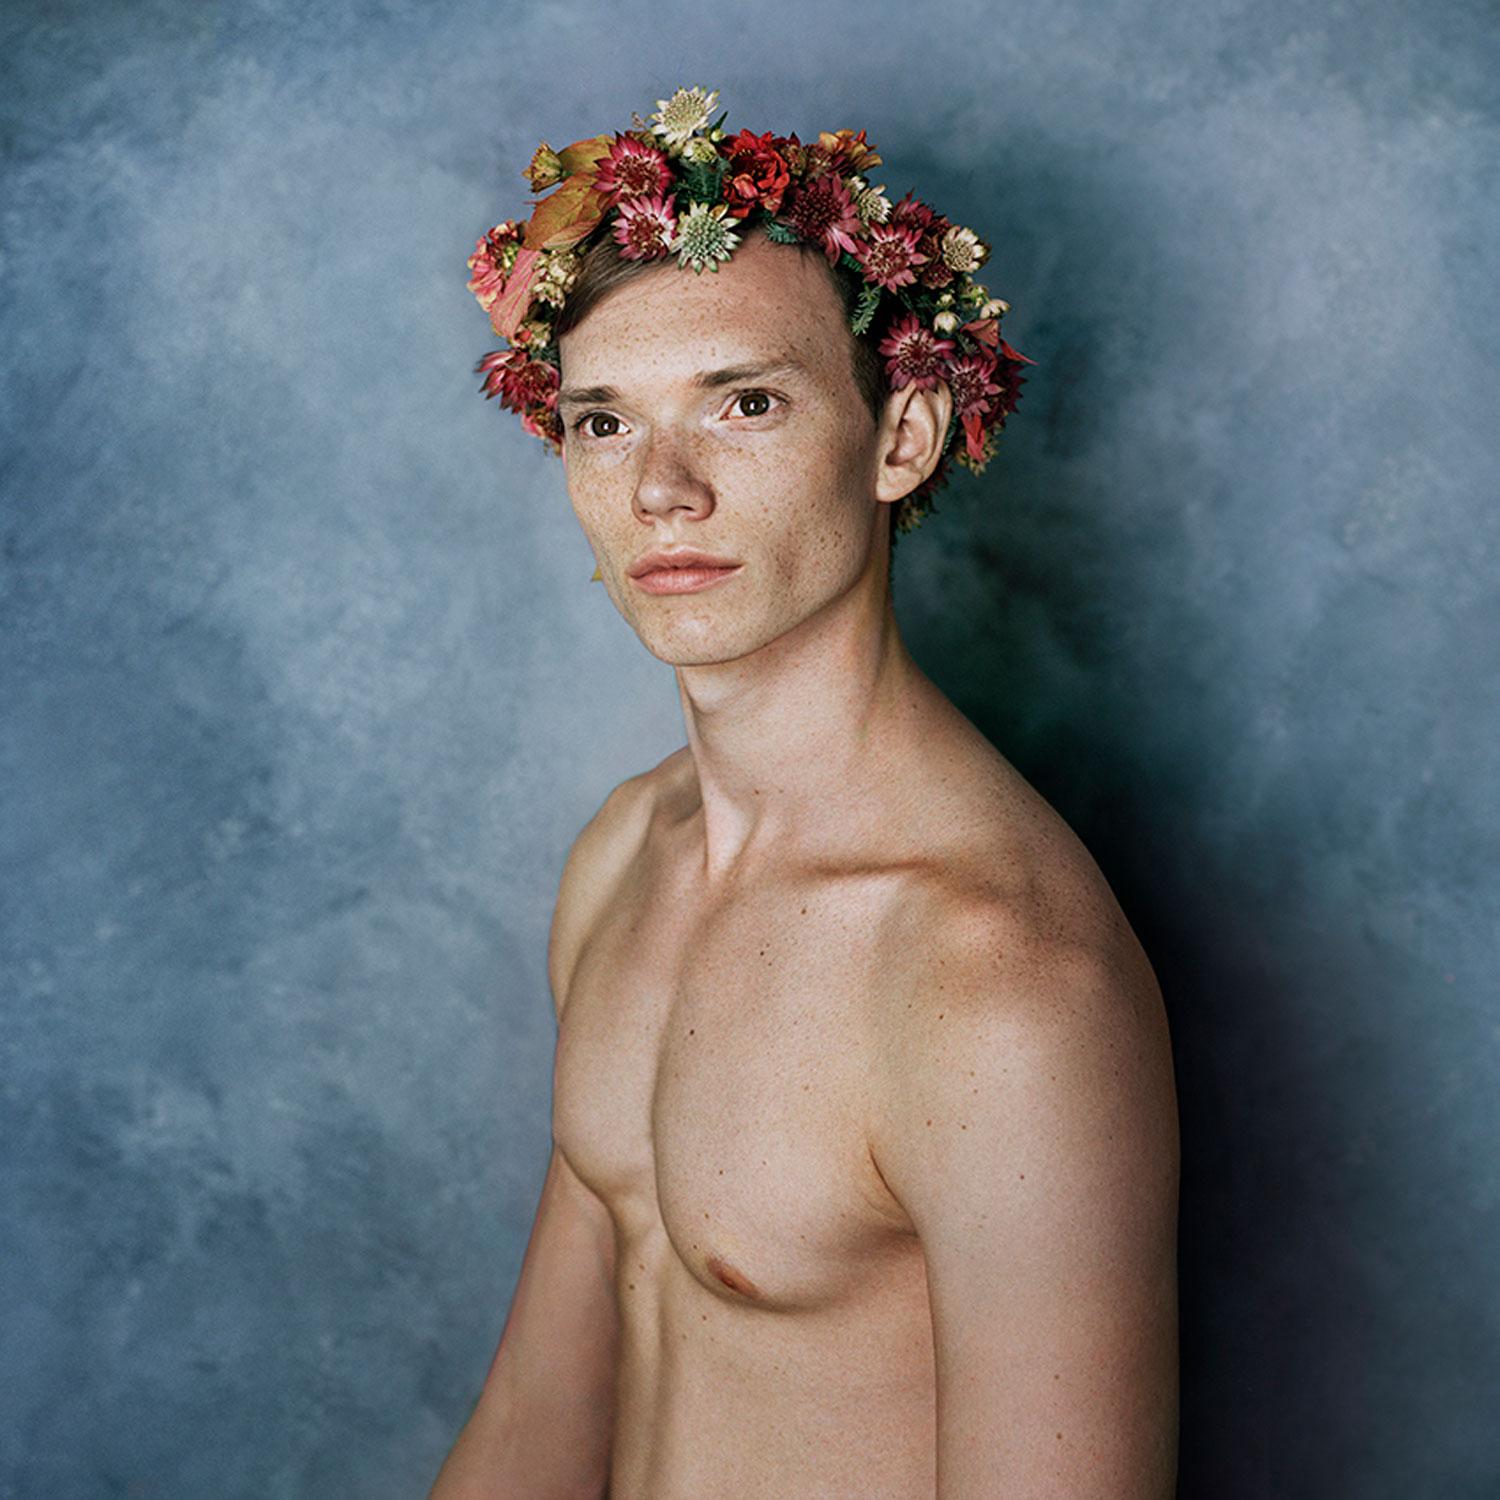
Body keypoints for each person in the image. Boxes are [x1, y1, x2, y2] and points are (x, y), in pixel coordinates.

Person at [429, 87, 1179, 1500]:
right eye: (603, 425)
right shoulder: (625, 857)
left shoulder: (1000, 983)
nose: (663, 491)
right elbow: (535, 1425)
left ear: (900, 439)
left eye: (747, 404)